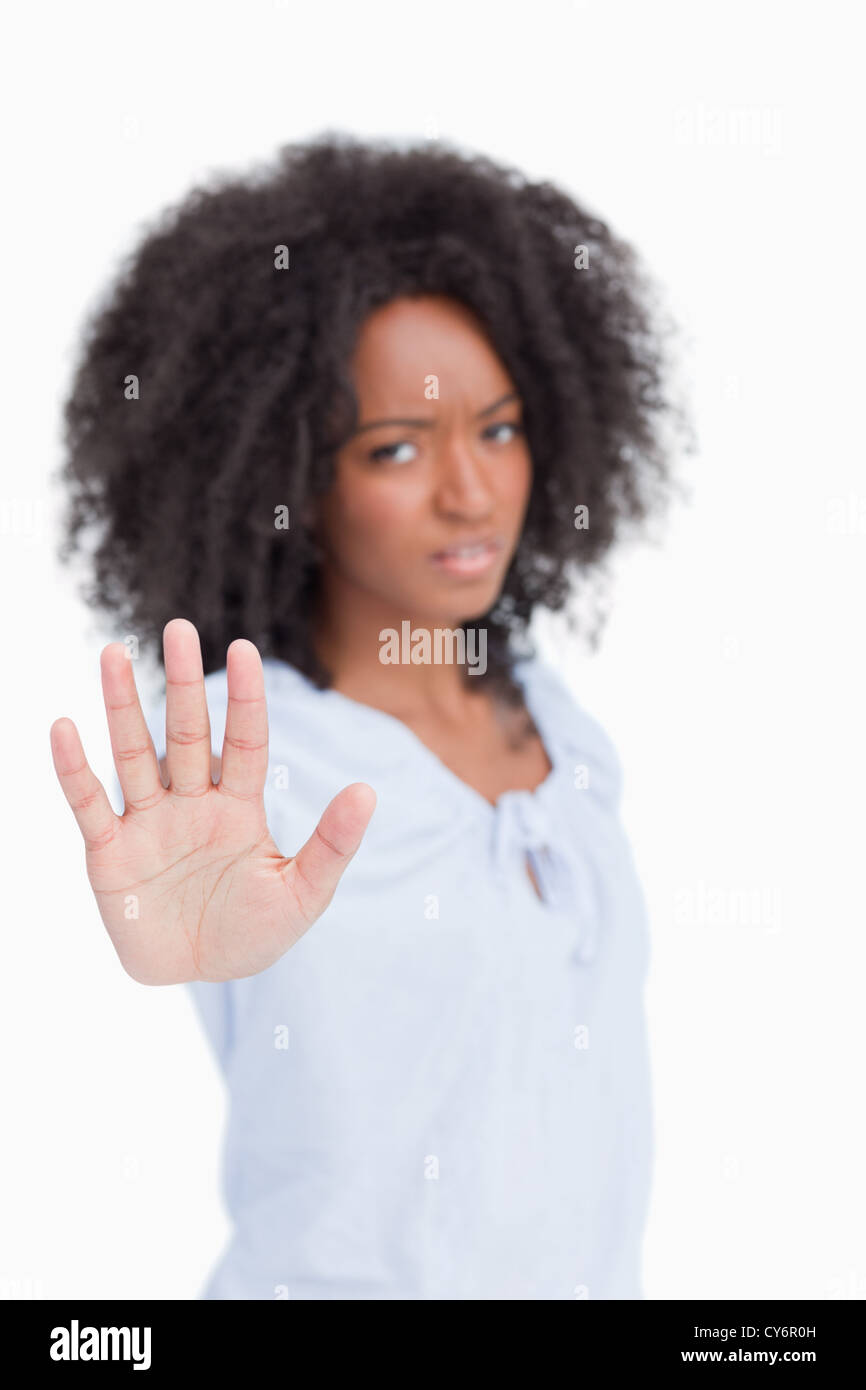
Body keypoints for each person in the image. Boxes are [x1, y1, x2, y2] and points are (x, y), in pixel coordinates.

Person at [49, 133, 686, 1299]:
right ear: (280, 476)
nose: (471, 491)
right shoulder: (253, 769)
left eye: (497, 428)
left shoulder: (557, 723)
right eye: (395, 448)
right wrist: (184, 950)